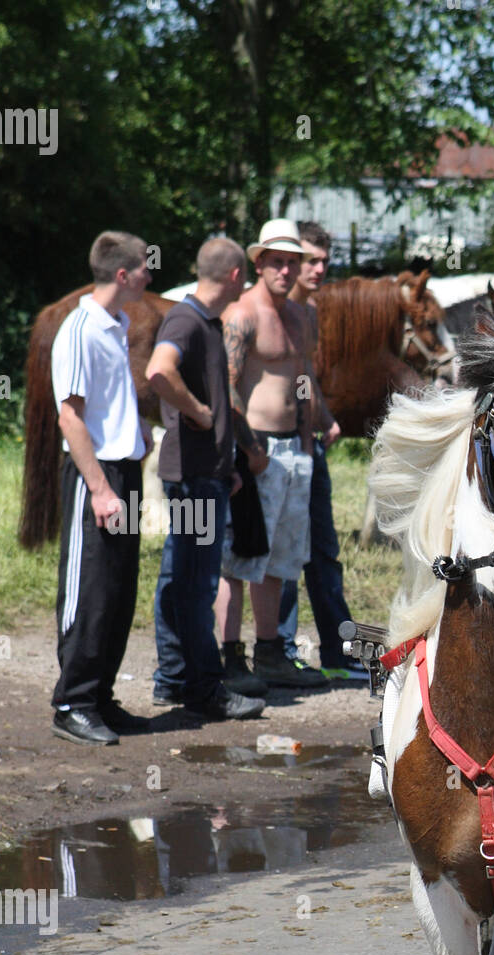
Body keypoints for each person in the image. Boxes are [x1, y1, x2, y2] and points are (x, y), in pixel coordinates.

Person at [145, 236, 265, 720]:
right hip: (193, 479)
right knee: (195, 586)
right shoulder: (186, 320)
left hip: (205, 474)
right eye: (248, 274)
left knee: (179, 579)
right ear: (235, 275)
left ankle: (173, 679)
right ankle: (205, 689)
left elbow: (218, 398)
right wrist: (195, 411)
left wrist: (229, 464)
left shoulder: (207, 323)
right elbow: (159, 372)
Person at [50, 230, 154, 746]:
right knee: (88, 588)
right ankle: (72, 701)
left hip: (124, 470)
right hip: (96, 476)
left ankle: (101, 697)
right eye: (143, 268)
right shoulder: (80, 327)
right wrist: (98, 489)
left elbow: (112, 400)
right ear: (121, 274)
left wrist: (138, 435)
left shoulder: (119, 323)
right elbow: (70, 416)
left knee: (118, 588)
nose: (149, 276)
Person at [215, 218, 327, 691]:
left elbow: (304, 379)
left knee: (282, 559)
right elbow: (228, 384)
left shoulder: (304, 317)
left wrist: (309, 434)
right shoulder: (242, 314)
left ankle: (269, 653)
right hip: (256, 449)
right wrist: (248, 448)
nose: (286, 270)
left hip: (294, 451)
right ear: (259, 264)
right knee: (240, 558)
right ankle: (229, 658)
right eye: (277, 262)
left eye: (292, 262)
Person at [274, 220, 366, 681]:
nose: (318, 268)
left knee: (324, 549)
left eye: (324, 261)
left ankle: (337, 649)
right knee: (286, 551)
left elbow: (305, 374)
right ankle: (283, 648)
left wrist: (325, 417)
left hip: (310, 447)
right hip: (279, 447)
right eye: (310, 259)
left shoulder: (309, 313)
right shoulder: (272, 310)